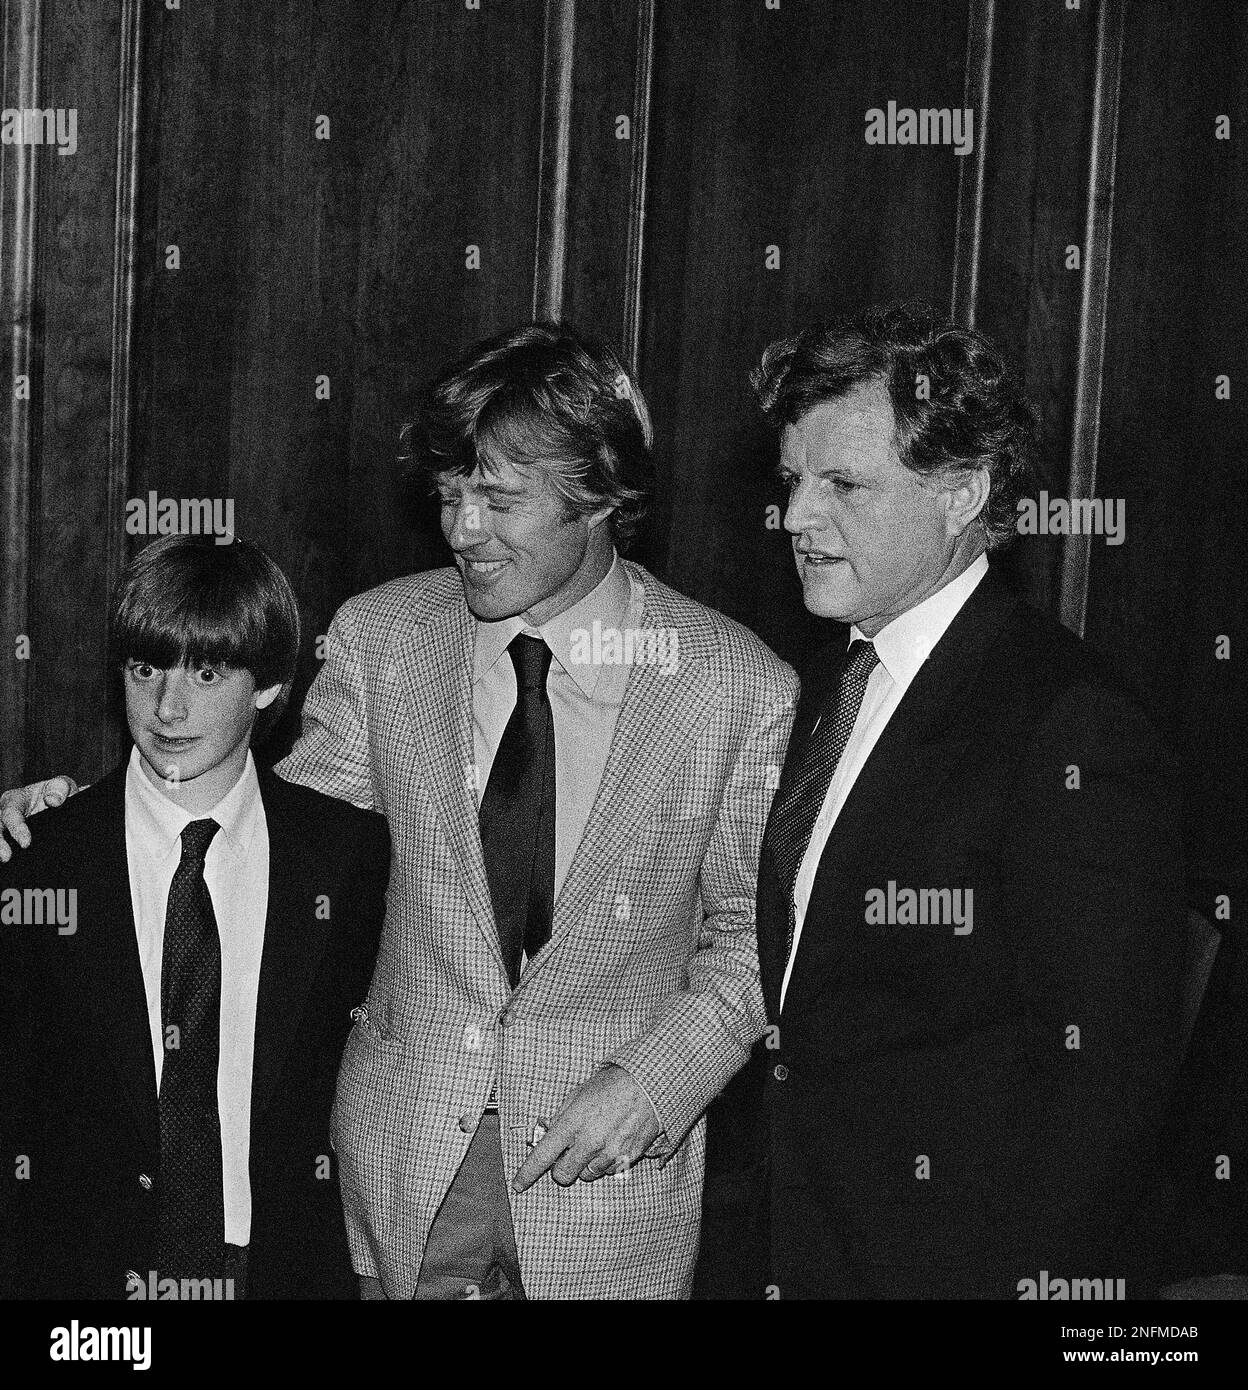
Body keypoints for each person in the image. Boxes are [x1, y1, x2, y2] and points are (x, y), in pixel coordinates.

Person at [3, 324, 797, 1300]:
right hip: (398, 1189)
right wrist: (89, 824)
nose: (462, 527)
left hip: (613, 1205)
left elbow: (754, 935)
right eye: (449, 493)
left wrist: (653, 1083)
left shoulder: (737, 685)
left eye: (499, 499)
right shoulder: (382, 639)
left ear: (601, 496)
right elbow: (276, 839)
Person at [752, 302, 1187, 1299]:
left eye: (844, 485)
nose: (798, 516)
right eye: (792, 482)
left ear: (962, 496)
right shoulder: (834, 679)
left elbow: (1105, 1092)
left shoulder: (1069, 723)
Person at [0, 535, 390, 1299]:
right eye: (146, 670)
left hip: (282, 1273)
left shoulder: (348, 859)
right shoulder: (37, 860)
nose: (167, 709)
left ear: (272, 683)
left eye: (207, 673)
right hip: (82, 1290)